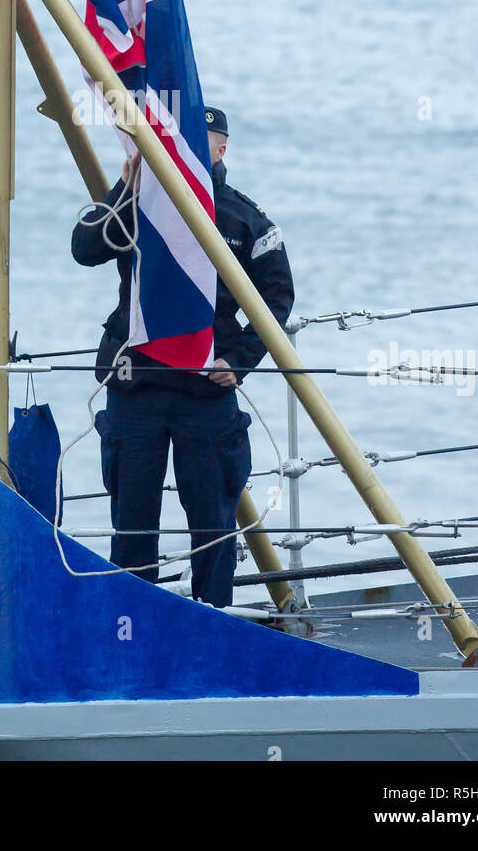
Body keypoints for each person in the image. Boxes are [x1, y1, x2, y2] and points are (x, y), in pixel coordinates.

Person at [70, 107, 295, 607]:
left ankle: (211, 619)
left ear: (220, 149)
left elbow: (277, 299)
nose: (191, 147)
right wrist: (125, 189)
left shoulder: (244, 219)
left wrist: (239, 361)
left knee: (214, 524)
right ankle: (132, 623)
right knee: (131, 523)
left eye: (203, 139)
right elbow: (85, 248)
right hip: (137, 384)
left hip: (206, 389)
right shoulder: (140, 203)